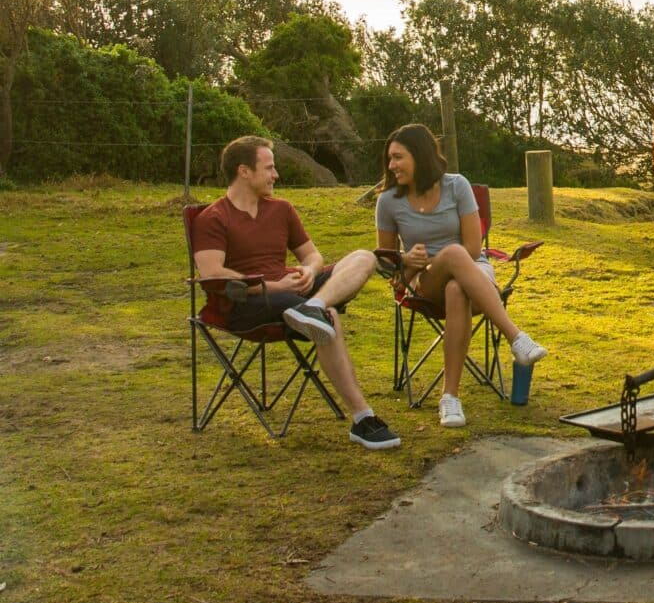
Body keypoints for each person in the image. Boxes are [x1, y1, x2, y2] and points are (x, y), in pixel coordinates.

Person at [191, 135, 401, 451]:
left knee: (364, 257)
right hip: (247, 303)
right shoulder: (213, 217)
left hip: (295, 294)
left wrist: (310, 272)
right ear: (244, 171)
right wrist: (274, 286)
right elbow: (212, 274)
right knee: (327, 318)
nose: (276, 175)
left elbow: (312, 256)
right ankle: (363, 417)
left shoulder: (282, 209)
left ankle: (313, 305)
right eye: (269, 168)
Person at [376, 123, 546, 427]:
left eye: (398, 157)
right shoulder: (388, 202)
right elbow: (388, 264)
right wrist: (408, 259)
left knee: (457, 288)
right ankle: (517, 338)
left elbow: (472, 248)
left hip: (473, 273)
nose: (391, 166)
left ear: (420, 156)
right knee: (453, 255)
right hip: (425, 282)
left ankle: (450, 398)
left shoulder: (457, 186)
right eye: (390, 158)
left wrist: (439, 259)